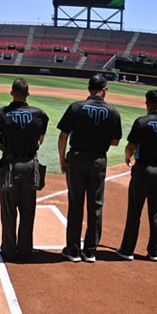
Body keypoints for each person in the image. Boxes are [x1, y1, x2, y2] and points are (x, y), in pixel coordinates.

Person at [56, 74, 122, 262]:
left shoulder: (76, 107)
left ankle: (73, 250)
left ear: (89, 89)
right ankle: (90, 251)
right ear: (104, 89)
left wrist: (62, 159)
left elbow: (63, 136)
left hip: (77, 158)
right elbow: (115, 141)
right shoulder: (113, 111)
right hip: (98, 160)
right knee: (96, 206)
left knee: (76, 204)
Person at [0, 78, 50, 262]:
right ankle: (25, 250)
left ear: (11, 92)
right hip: (30, 164)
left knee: (8, 211)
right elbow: (39, 141)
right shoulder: (40, 114)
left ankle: (8, 251)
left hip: (9, 166)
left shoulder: (0, 114)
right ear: (28, 93)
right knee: (28, 211)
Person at [118, 90, 157, 262]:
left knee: (134, 211)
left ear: (147, 103)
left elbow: (130, 146)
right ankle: (154, 251)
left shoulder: (142, 122)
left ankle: (127, 250)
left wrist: (128, 157)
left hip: (143, 169)